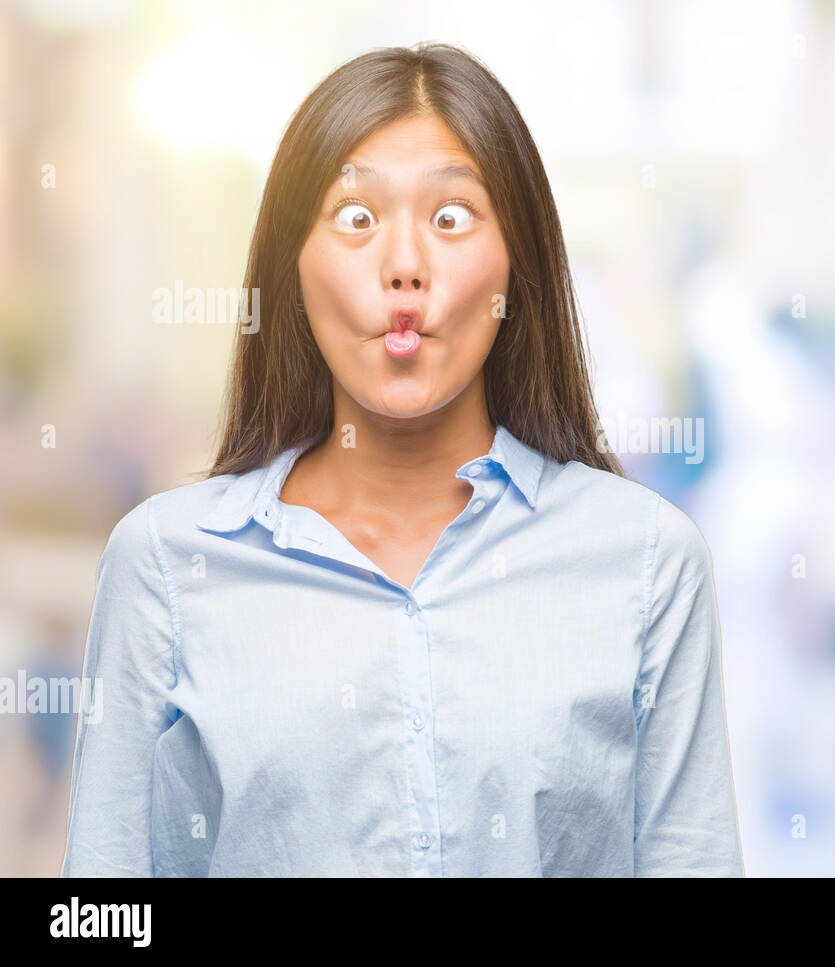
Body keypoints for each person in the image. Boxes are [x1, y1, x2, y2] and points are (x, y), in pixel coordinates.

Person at [59, 43, 743, 877]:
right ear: (291, 265)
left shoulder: (647, 562)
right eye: (356, 217)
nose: (405, 267)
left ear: (518, 263)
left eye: (451, 217)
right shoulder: (166, 565)